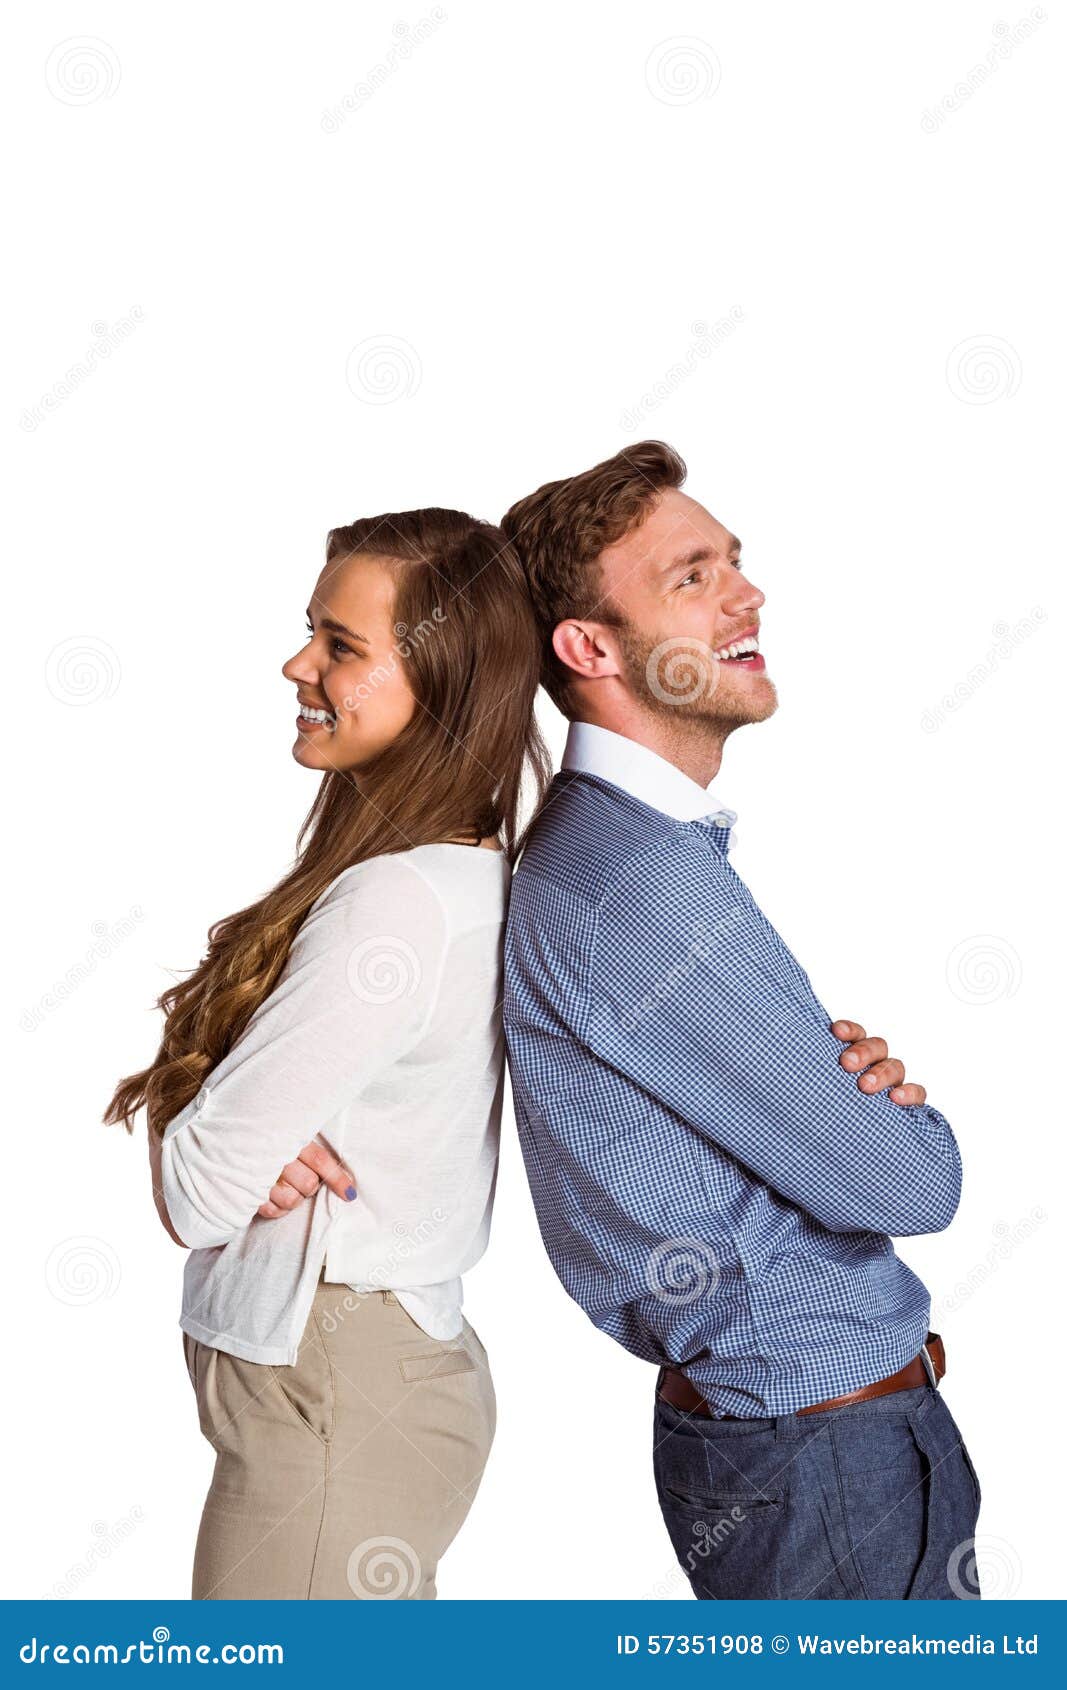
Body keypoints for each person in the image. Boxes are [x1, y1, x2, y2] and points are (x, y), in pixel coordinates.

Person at [500, 441, 981, 1601]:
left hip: (805, 1449)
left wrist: (834, 1091)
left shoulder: (630, 858)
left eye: (734, 564)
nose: (744, 593)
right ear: (589, 649)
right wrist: (880, 1118)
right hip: (825, 1459)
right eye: (691, 576)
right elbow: (912, 1187)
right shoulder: (639, 885)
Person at [105, 508, 549, 1600]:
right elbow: (226, 1155)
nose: (296, 663)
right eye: (312, 630)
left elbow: (203, 1190)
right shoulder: (436, 877)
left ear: (438, 681)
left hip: (336, 1399)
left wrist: (204, 1112)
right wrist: (223, 1104)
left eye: (340, 646)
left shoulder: (395, 904)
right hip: (353, 1396)